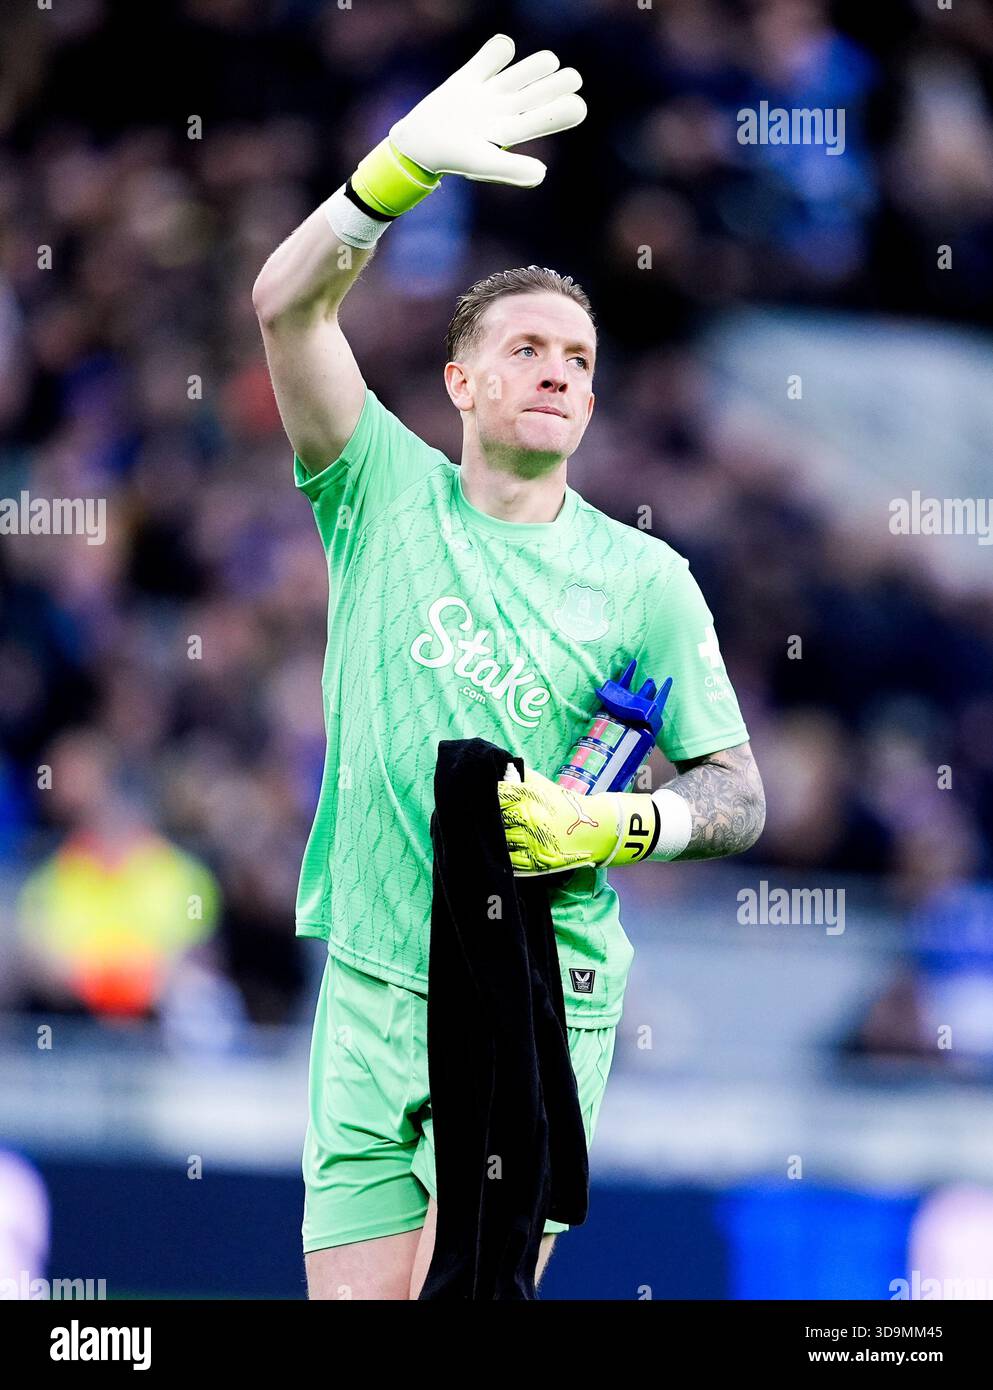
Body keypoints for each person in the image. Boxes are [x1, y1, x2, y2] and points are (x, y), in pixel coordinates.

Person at [253, 34, 765, 1301]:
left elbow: (739, 792)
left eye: (580, 360)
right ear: (460, 381)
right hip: (372, 979)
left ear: (593, 409)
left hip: (537, 986)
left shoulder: (646, 581)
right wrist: (392, 175)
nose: (558, 372)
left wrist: (621, 819)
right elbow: (283, 306)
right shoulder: (377, 488)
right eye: (530, 349)